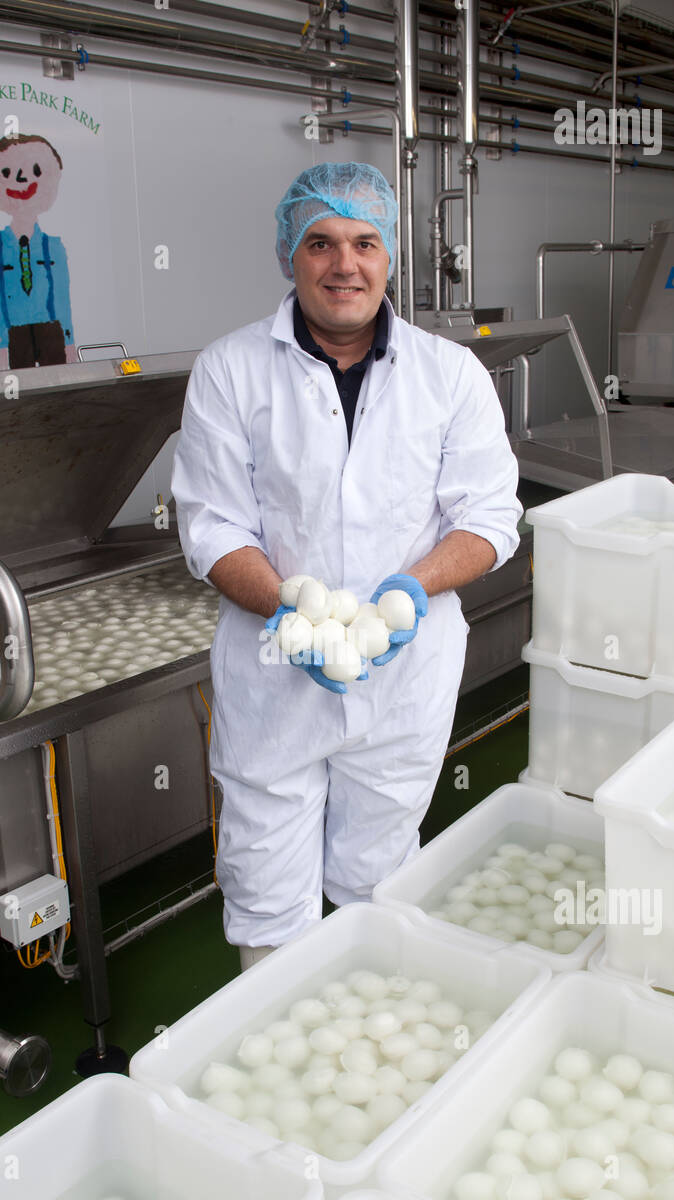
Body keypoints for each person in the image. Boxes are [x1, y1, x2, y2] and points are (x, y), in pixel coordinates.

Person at [171, 161, 521, 972]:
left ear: (389, 254)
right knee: (264, 888)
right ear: (291, 256)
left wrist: (413, 587)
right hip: (273, 672)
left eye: (364, 242)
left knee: (381, 874)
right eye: (321, 243)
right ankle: (270, 1058)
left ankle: (367, 1040)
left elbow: (491, 517)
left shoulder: (449, 375)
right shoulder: (231, 370)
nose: (344, 264)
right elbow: (212, 524)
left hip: (406, 678)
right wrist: (289, 612)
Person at [0, 134, 76, 370]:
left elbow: (61, 296)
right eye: (7, 173)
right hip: (15, 333)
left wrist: (69, 341)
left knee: (60, 392)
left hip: (52, 331)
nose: (21, 179)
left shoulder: (54, 247)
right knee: (21, 398)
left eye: (36, 171)